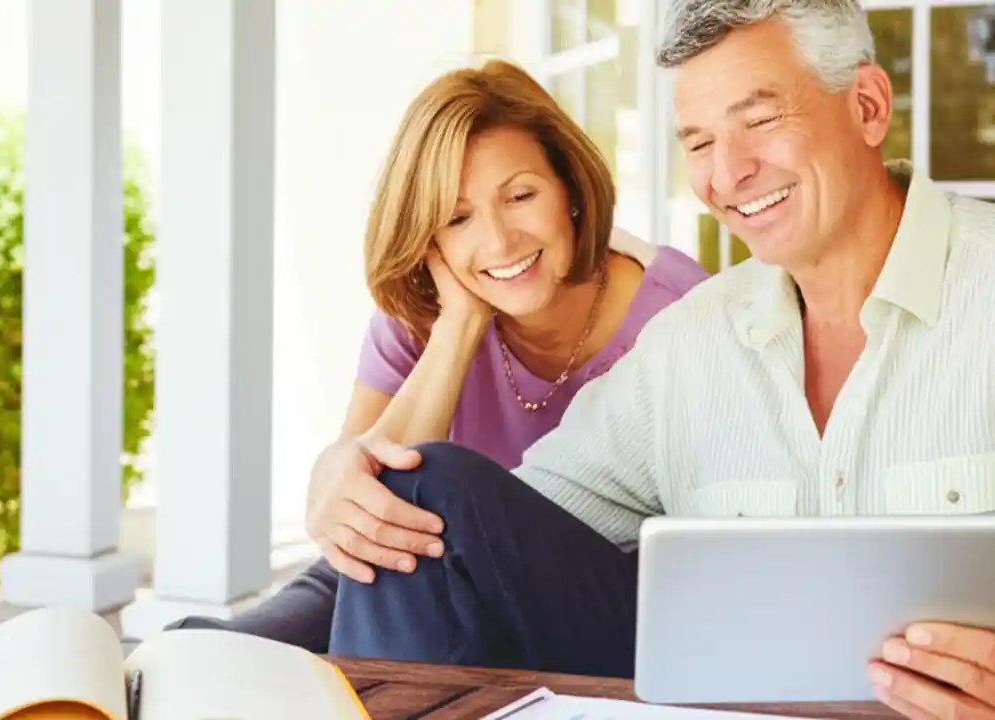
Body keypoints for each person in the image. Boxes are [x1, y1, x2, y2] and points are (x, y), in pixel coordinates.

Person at [315, 2, 995, 719]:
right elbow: (483, 533)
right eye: (700, 141)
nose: (729, 173)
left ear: (868, 105)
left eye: (761, 119)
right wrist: (344, 480)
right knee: (422, 495)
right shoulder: (687, 345)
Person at [166, 59, 707, 652]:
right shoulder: (424, 315)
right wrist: (459, 328)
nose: (500, 241)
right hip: (420, 565)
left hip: (596, 602)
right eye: (458, 218)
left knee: (421, 510)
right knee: (205, 653)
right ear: (431, 239)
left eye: (521, 196)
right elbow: (362, 498)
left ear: (571, 192)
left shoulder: (677, 313)